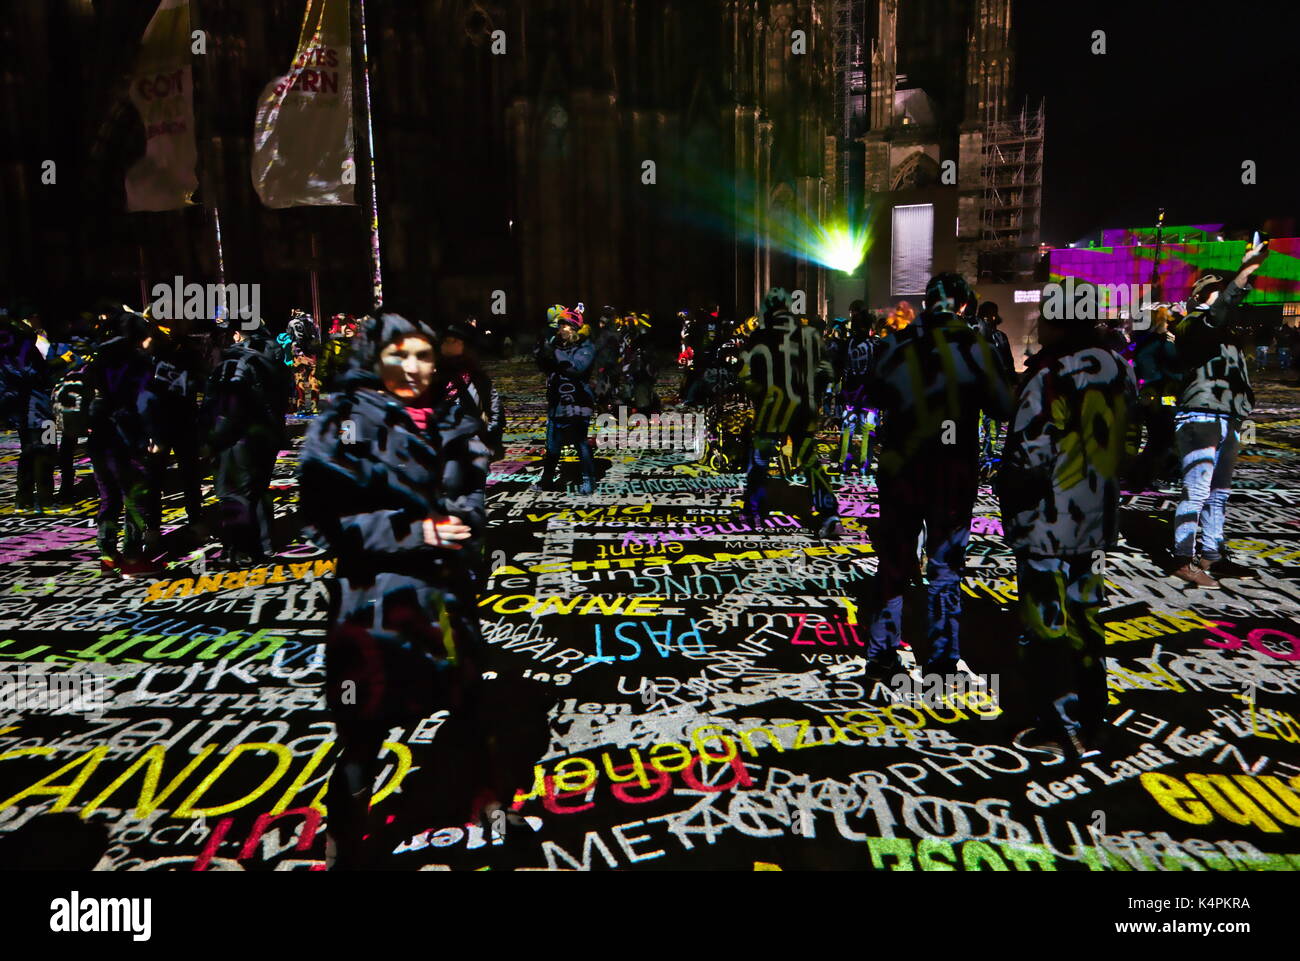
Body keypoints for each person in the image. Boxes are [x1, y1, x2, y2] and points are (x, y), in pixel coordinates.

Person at [298, 312, 492, 870]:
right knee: (363, 728)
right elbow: (324, 522)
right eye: (399, 355)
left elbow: (471, 497)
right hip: (373, 606)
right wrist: (414, 531)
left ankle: (484, 812)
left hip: (444, 600)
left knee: (467, 708)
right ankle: (345, 837)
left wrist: (464, 525)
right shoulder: (345, 423)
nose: (413, 367)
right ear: (376, 358)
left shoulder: (453, 421)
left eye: (423, 356)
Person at [997, 297, 1137, 758]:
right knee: (1087, 618)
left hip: (1048, 519)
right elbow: (1132, 438)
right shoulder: (1119, 368)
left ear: (1058, 321)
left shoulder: (1050, 373)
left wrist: (1008, 491)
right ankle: (1095, 718)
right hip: (1097, 518)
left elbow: (1030, 454)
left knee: (1047, 624)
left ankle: (1060, 724)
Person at [862, 273, 1015, 679]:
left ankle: (881, 653)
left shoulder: (894, 344)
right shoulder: (976, 347)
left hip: (902, 465)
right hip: (952, 468)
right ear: (963, 305)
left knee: (895, 560)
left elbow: (872, 394)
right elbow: (1003, 407)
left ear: (927, 302)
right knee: (946, 564)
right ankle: (943, 659)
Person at [1169, 240, 1268, 587]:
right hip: (1200, 416)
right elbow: (1221, 309)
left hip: (1227, 416)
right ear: (1200, 297)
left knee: (1219, 492)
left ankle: (1212, 555)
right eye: (1217, 291)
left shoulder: (1225, 332)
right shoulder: (1193, 324)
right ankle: (1182, 557)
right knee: (1197, 491)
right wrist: (1246, 271)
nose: (1224, 295)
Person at [739, 287, 840, 537]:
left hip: (771, 409)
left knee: (760, 461)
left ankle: (753, 512)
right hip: (804, 409)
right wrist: (814, 397)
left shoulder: (760, 336)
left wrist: (760, 397)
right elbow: (826, 372)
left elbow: (745, 375)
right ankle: (830, 515)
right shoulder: (810, 335)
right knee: (809, 460)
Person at [202, 321, 292, 566]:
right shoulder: (271, 355)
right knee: (258, 489)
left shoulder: (233, 362)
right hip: (268, 432)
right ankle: (264, 543)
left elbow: (227, 407)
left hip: (238, 437)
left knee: (234, 493)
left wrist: (213, 439)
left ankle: (241, 550)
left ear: (235, 334)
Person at [85, 310, 157, 573]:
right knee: (135, 497)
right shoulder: (138, 360)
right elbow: (145, 400)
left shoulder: (98, 356)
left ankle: (107, 554)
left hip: (99, 435)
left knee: (109, 496)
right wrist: (153, 434)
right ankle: (133, 557)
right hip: (127, 435)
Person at [139, 316, 208, 547]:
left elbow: (202, 379)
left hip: (182, 418)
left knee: (188, 474)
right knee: (155, 477)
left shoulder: (188, 349)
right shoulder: (149, 349)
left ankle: (193, 520)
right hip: (159, 420)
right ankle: (153, 527)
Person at [533, 308, 598, 494]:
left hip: (578, 402)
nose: (560, 329)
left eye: (564, 326)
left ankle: (589, 481)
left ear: (574, 328)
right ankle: (546, 480)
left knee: (580, 443)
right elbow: (545, 367)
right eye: (559, 325)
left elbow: (576, 368)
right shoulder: (558, 345)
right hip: (557, 402)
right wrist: (541, 350)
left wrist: (554, 352)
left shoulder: (586, 346)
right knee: (552, 445)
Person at [0, 315, 57, 513]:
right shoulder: (26, 349)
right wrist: (57, 364)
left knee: (28, 452)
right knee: (46, 451)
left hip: (22, 411)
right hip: (41, 409)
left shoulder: (7, 351)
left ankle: (23, 498)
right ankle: (45, 499)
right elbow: (35, 374)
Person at [439, 317, 505, 462]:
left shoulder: (477, 377)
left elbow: (495, 410)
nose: (447, 345)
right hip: (443, 444)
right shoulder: (434, 376)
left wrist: (486, 435)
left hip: (473, 445)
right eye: (445, 341)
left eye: (454, 341)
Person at [1129, 306, 1182, 485]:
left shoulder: (1141, 343)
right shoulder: (1162, 344)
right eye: (1165, 321)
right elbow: (1175, 368)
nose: (1168, 325)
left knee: (1157, 436)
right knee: (1165, 435)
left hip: (1150, 394)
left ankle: (1146, 472)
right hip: (1164, 394)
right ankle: (1152, 472)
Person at [837, 305, 879, 475]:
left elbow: (842, 368)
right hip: (868, 395)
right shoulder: (875, 345)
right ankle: (864, 464)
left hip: (850, 393)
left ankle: (844, 462)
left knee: (848, 427)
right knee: (868, 429)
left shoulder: (847, 344)